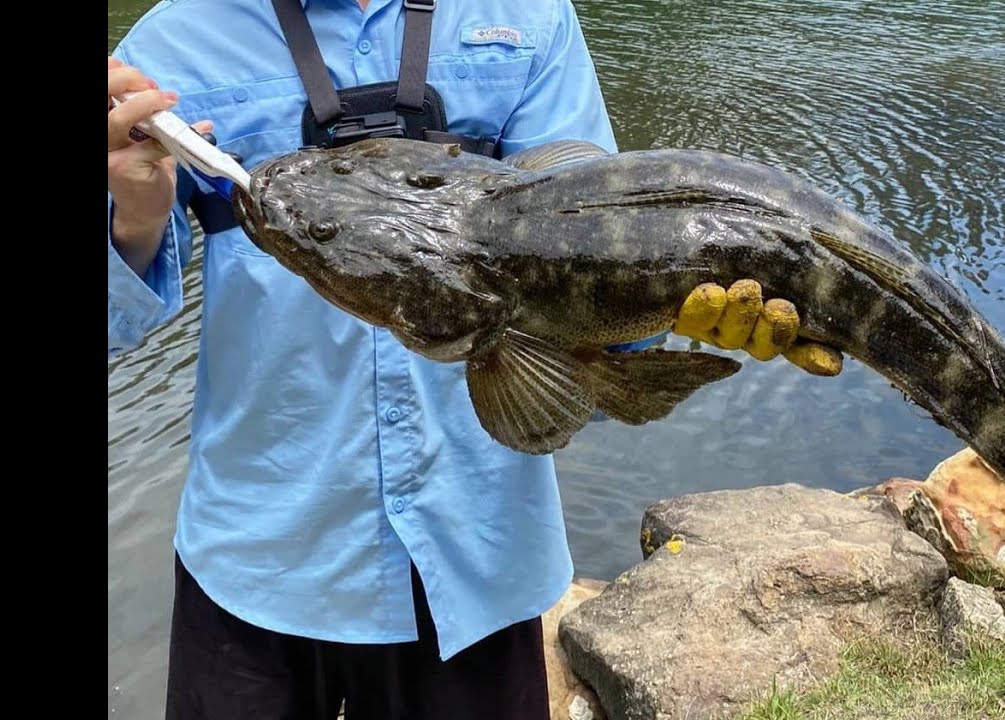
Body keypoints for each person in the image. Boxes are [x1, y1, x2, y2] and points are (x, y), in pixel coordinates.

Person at [107, 1, 842, 718]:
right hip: (263, 552)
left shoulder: (527, 17)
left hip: (475, 547)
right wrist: (135, 216)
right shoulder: (175, 43)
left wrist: (675, 310)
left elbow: (612, 259)